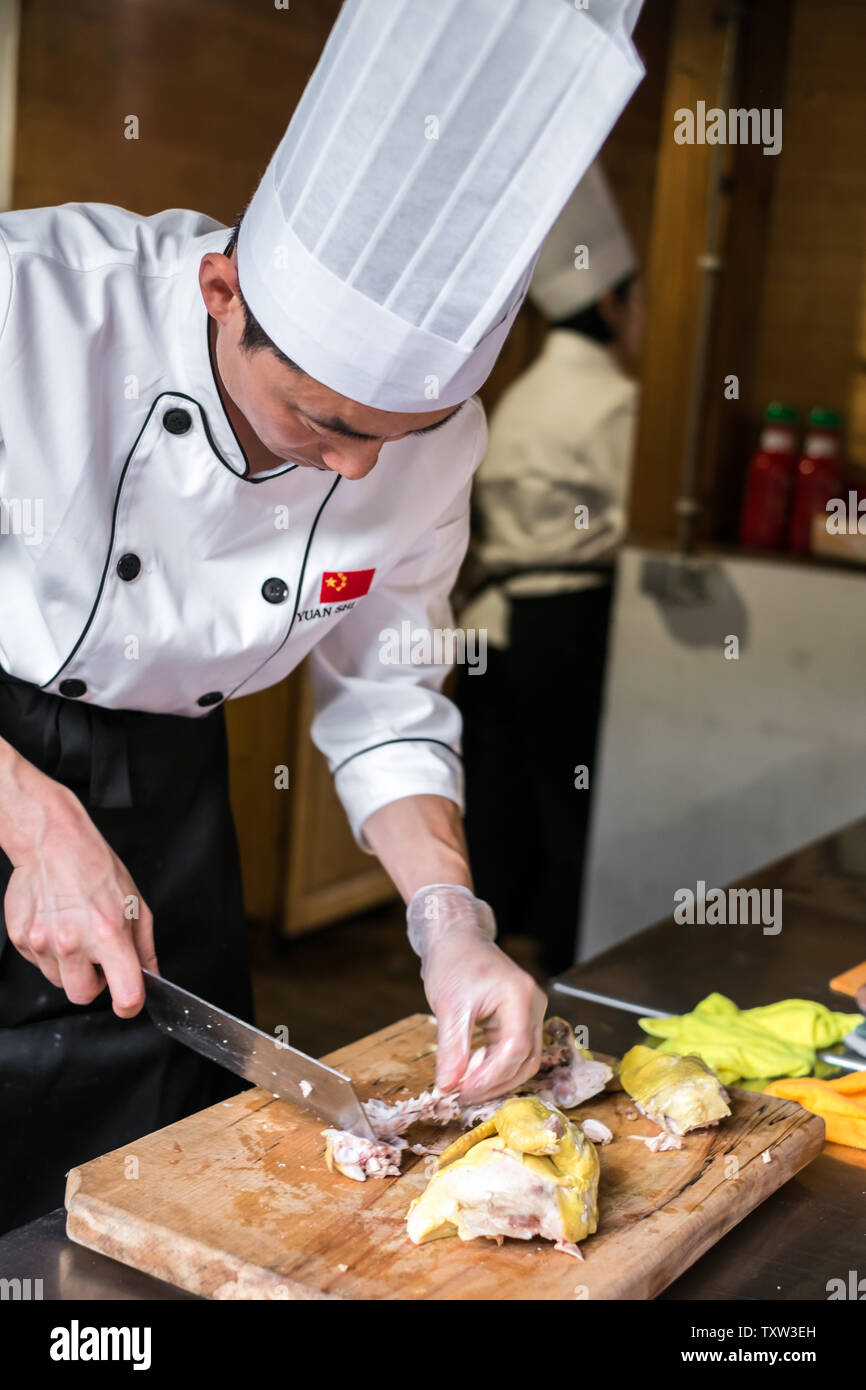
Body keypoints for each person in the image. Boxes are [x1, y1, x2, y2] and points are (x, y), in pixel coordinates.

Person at [0, 0, 644, 1230]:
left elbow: (387, 693)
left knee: (165, 1159)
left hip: (174, 790)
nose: (355, 474)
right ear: (223, 289)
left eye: (391, 437)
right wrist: (30, 822)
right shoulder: (30, 304)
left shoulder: (429, 441)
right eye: (325, 422)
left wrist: (449, 923)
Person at [456, 162, 645, 976]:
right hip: (564, 621)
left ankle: (492, 954)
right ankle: (571, 966)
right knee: (574, 801)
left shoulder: (522, 391)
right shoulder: (618, 402)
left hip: (491, 620)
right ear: (611, 303)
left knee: (497, 798)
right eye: (639, 304)